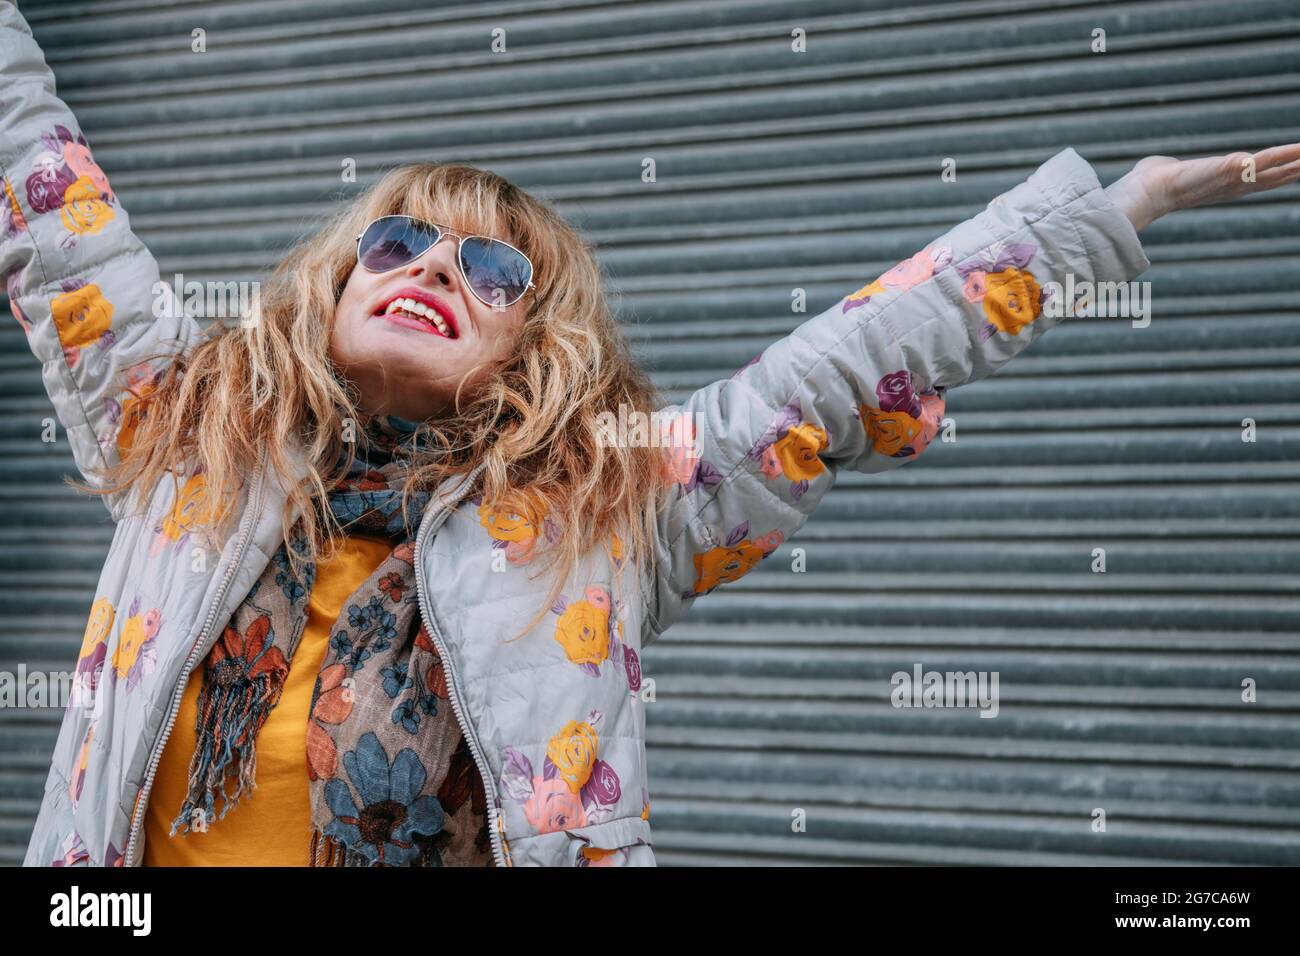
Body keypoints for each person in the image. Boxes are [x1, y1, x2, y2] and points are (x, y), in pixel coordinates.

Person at [5, 0, 1298, 867]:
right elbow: (41, 186)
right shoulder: (189, 431)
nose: (436, 270)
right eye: (398, 242)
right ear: (337, 281)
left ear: (532, 344)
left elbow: (833, 373)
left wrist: (1109, 219)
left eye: (490, 272)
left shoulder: (600, 513)